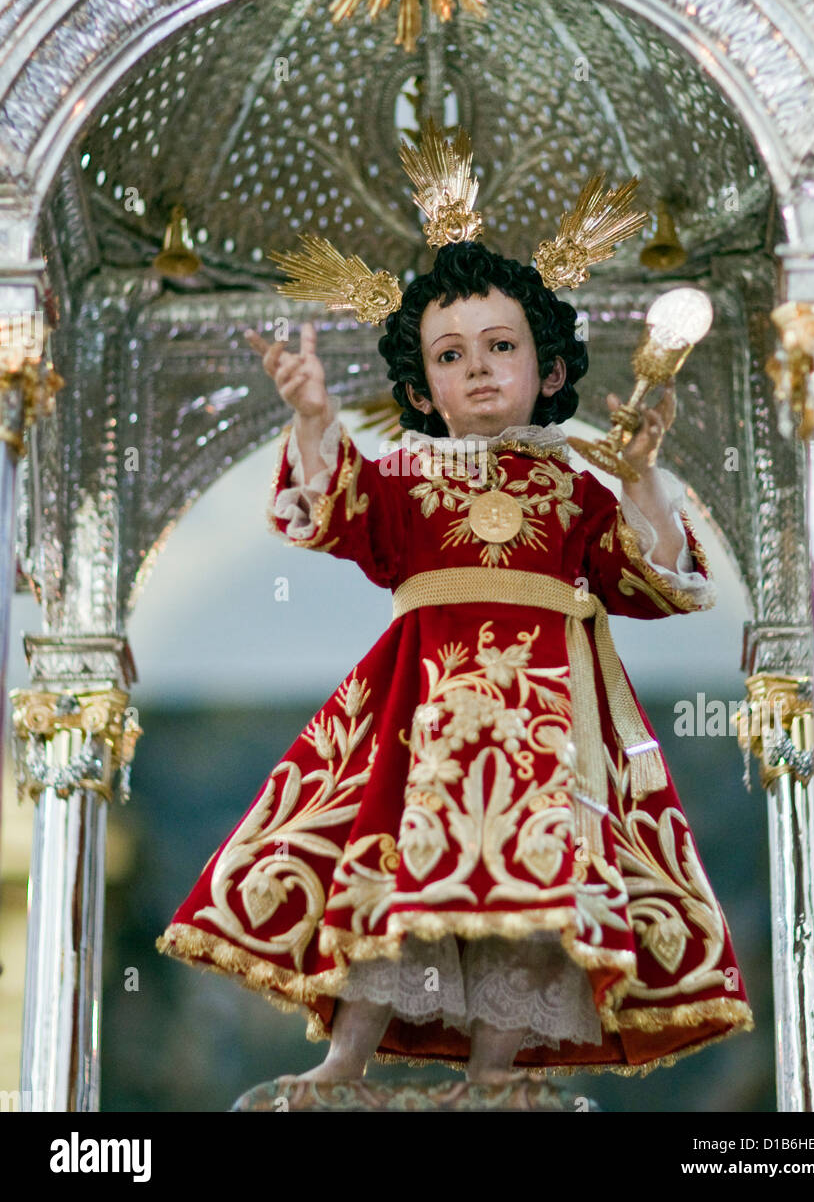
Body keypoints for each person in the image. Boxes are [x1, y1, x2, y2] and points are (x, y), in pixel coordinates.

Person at [157, 239, 753, 1084]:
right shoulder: (404, 480)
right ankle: (345, 1062)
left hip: (548, 728)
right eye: (450, 355)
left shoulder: (577, 490)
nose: (478, 370)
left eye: (501, 346)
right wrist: (315, 420)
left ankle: (493, 1072)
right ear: (417, 389)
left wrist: (645, 480)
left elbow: (649, 582)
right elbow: (334, 507)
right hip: (422, 720)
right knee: (395, 886)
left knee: (534, 905)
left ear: (548, 372)